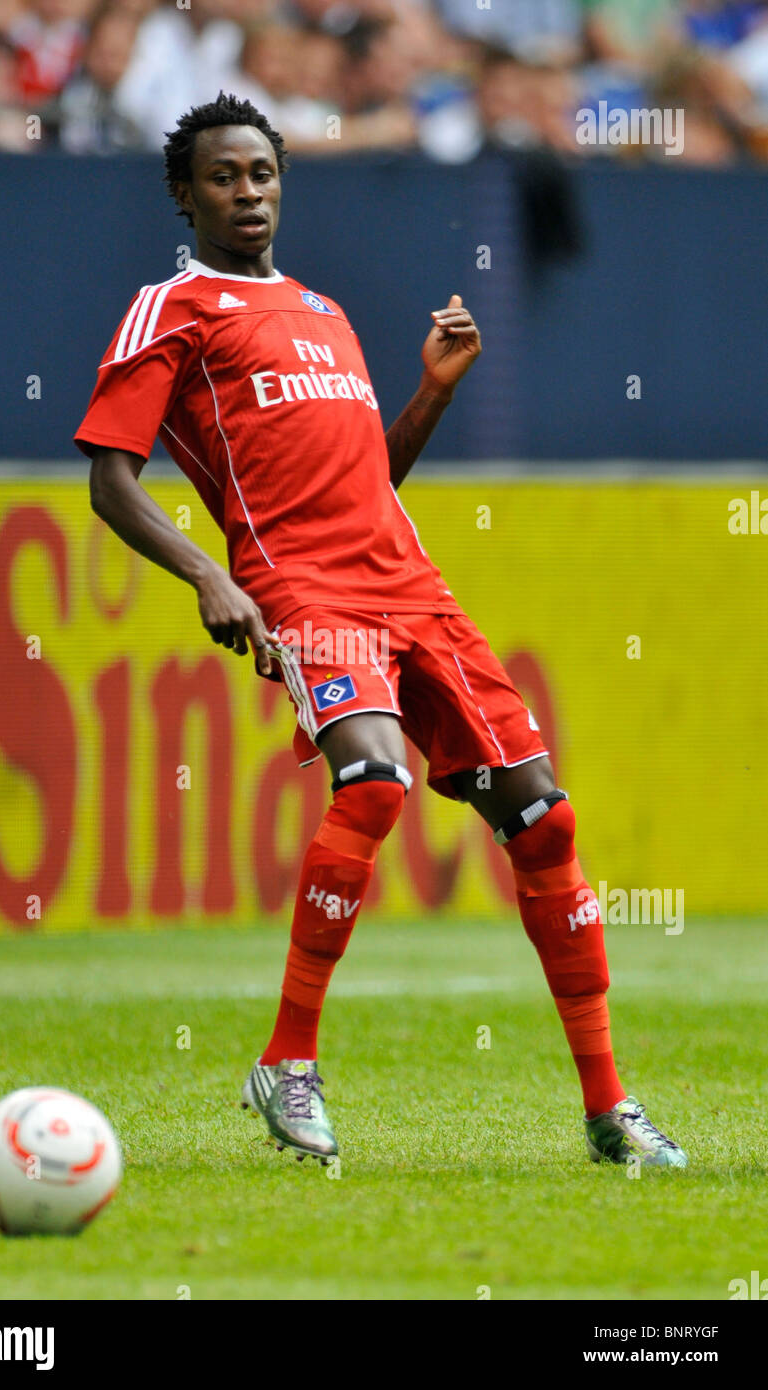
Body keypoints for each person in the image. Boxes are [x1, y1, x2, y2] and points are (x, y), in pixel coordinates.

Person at [74, 91, 686, 1171]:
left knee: (540, 816)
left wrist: (430, 396)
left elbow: (371, 481)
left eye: (261, 173)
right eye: (222, 176)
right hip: (303, 588)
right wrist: (213, 578)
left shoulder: (324, 311)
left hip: (409, 583)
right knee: (372, 782)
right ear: (184, 194)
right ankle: (288, 1061)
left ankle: (608, 1108)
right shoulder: (172, 308)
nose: (247, 193)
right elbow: (110, 482)